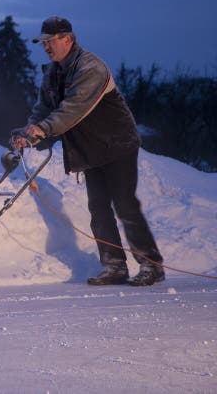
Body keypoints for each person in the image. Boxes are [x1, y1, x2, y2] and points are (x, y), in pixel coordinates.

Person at [11, 16, 164, 286]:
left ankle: (151, 265)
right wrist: (30, 132)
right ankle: (114, 266)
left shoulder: (91, 67)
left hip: (117, 144)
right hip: (91, 148)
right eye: (43, 43)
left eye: (50, 41)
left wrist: (44, 129)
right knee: (98, 208)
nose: (46, 47)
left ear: (68, 39)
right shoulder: (52, 73)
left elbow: (74, 109)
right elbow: (44, 108)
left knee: (125, 204)